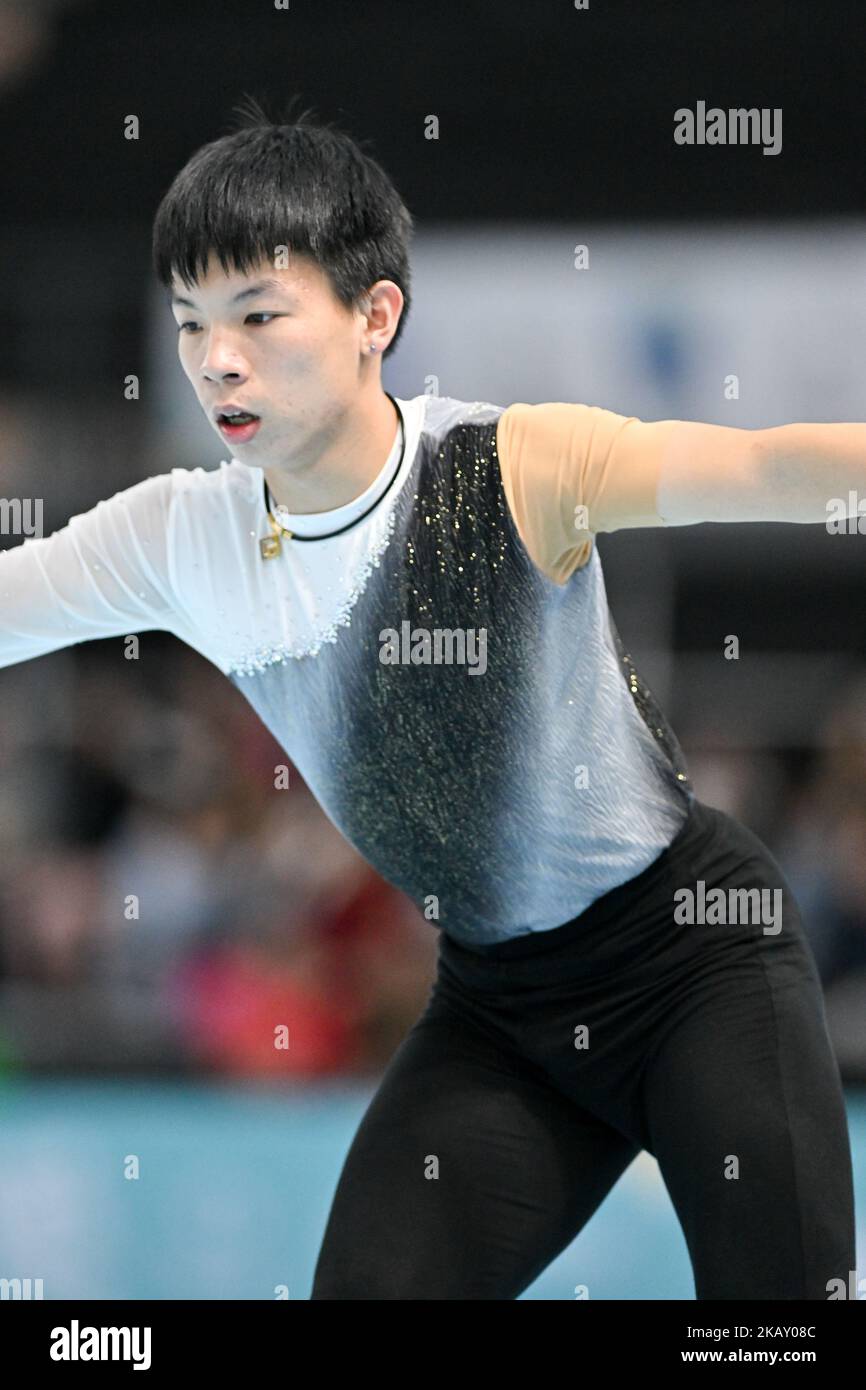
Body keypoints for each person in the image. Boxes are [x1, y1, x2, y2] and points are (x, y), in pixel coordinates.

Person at [0, 98, 858, 1300]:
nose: (216, 359)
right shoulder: (177, 538)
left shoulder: (515, 467)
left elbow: (766, 464)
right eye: (193, 322)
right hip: (501, 1015)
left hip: (698, 968)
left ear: (374, 315)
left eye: (258, 314)